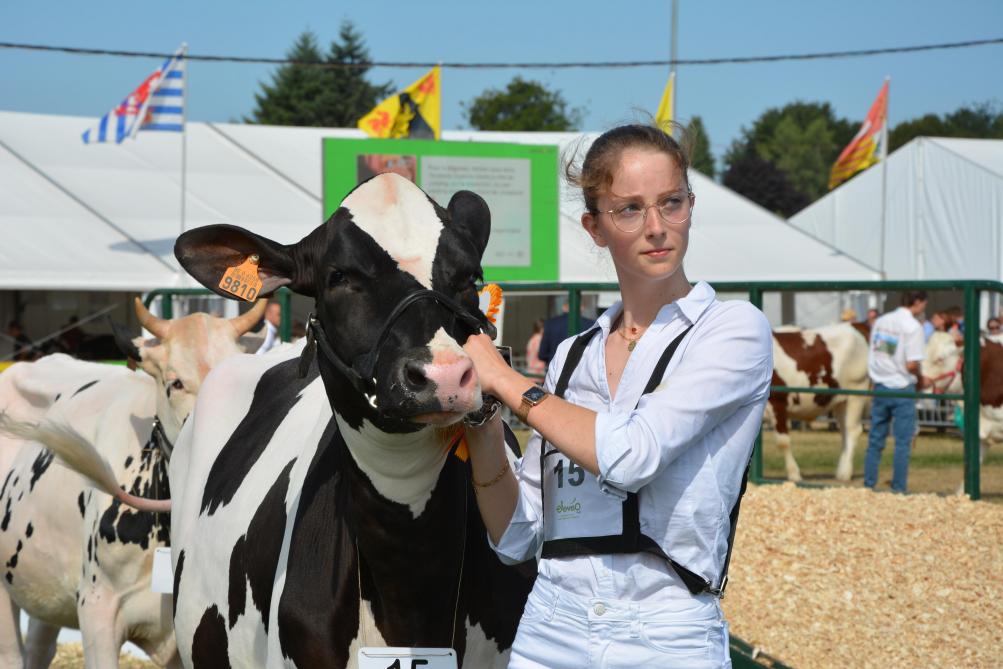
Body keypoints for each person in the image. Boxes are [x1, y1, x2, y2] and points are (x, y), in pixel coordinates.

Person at [462, 124, 773, 668]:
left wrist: (506, 382)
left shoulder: (732, 330)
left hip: (667, 635)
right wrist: (482, 419)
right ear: (595, 227)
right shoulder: (572, 355)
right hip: (549, 626)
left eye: (671, 203)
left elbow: (631, 456)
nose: (657, 227)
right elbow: (518, 535)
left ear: (691, 207)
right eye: (629, 209)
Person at [863, 291, 930, 493]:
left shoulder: (882, 321)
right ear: (917, 303)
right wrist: (922, 378)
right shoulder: (913, 326)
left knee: (875, 439)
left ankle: (868, 484)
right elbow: (911, 364)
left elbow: (880, 352)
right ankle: (899, 488)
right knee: (902, 442)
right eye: (924, 304)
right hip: (902, 387)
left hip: (880, 385)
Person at [537, 302, 596, 366]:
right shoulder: (590, 324)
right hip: (580, 369)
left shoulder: (550, 323)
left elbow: (542, 354)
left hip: (554, 368)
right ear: (582, 308)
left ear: (564, 307)